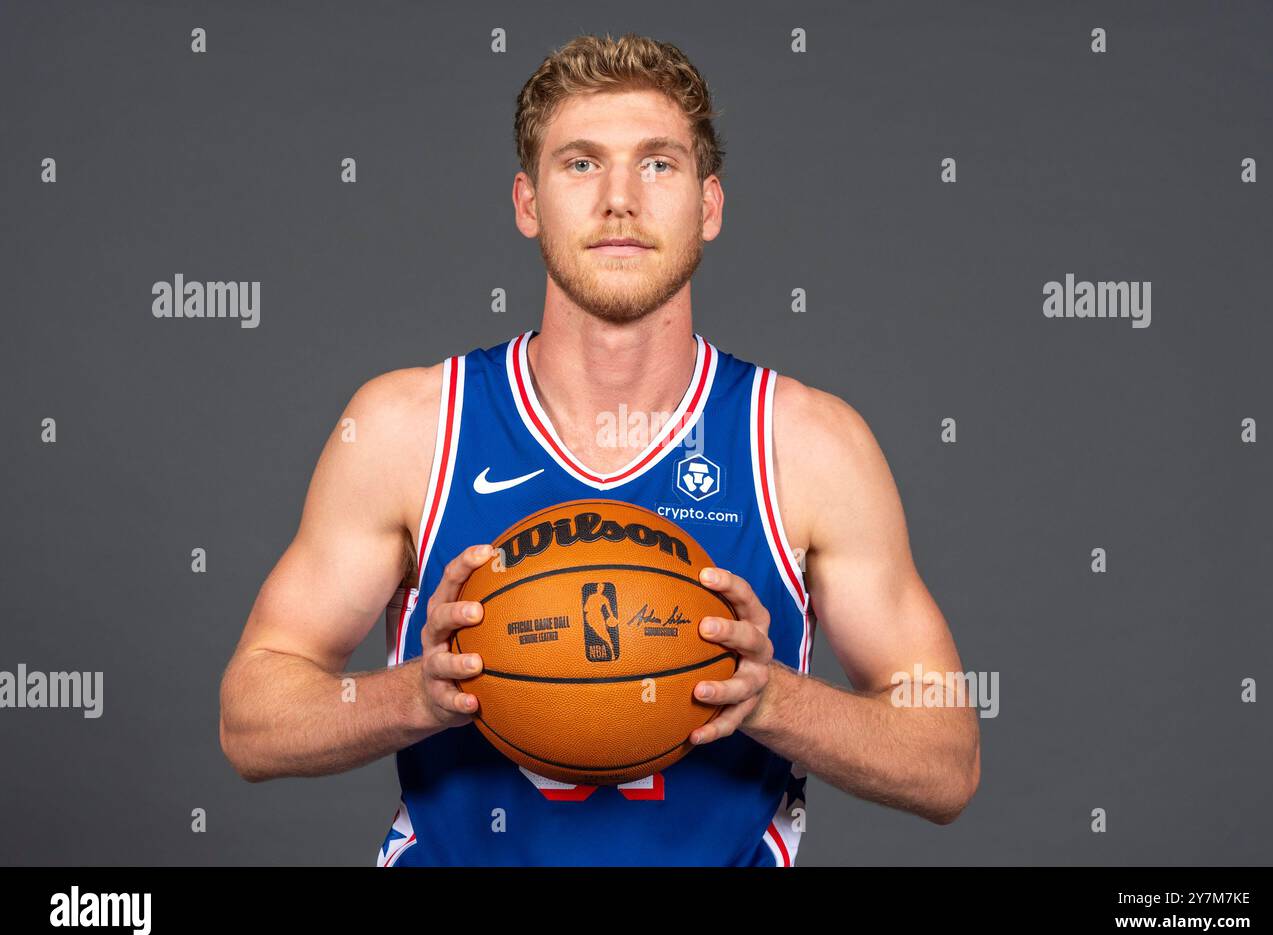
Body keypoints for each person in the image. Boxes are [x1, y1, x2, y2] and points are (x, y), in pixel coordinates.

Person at [218, 32, 979, 866]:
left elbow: (946, 761)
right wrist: (418, 694)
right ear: (527, 202)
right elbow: (251, 717)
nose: (621, 199)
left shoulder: (805, 444)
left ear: (710, 206)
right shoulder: (410, 428)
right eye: (580, 164)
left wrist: (772, 700)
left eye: (659, 165)